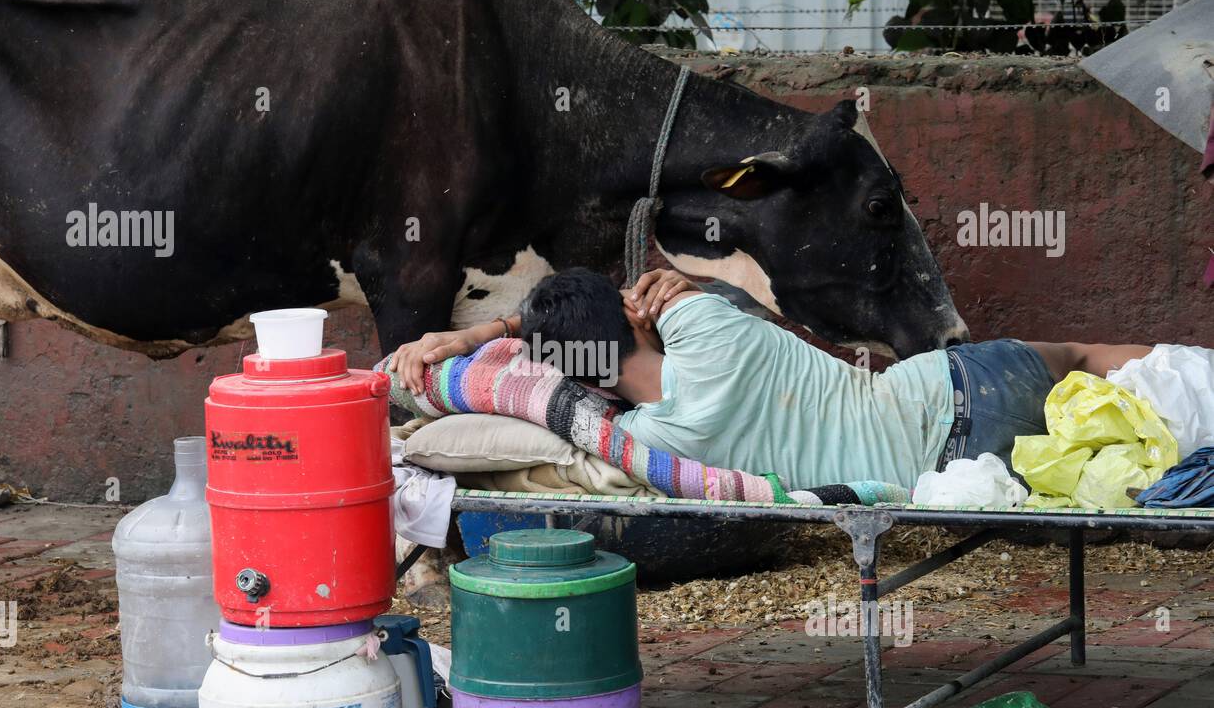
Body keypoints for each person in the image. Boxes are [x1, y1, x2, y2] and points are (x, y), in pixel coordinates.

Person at [388, 267, 1154, 489]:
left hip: (955, 467)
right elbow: (635, 301)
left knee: (1119, 454)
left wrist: (497, 341)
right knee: (1092, 363)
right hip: (955, 385)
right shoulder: (701, 324)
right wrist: (487, 325)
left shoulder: (645, 439)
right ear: (635, 314)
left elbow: (551, 387)